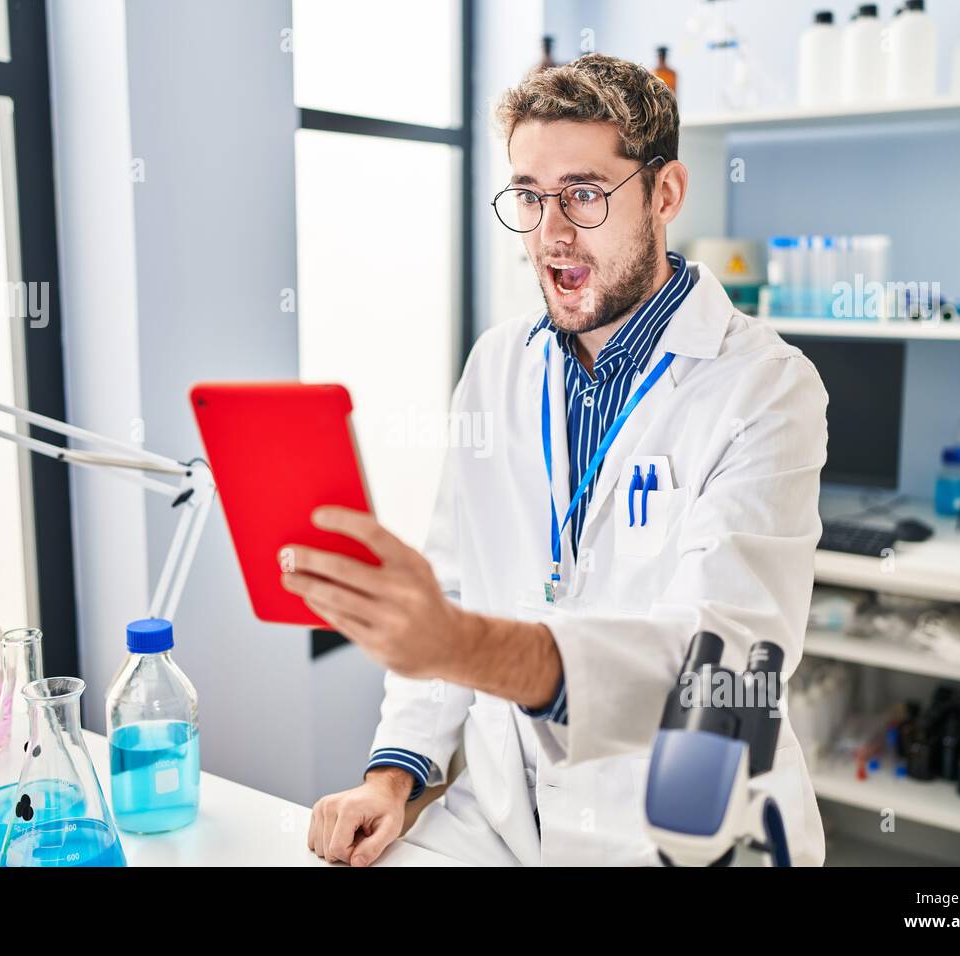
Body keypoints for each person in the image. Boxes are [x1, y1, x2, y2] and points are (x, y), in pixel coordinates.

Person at [280, 53, 829, 866]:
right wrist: (392, 775)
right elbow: (456, 586)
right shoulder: (497, 365)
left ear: (665, 193)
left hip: (676, 831)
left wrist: (462, 644)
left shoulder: (766, 387)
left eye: (582, 193)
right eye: (530, 197)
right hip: (502, 820)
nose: (551, 234)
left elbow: (724, 665)